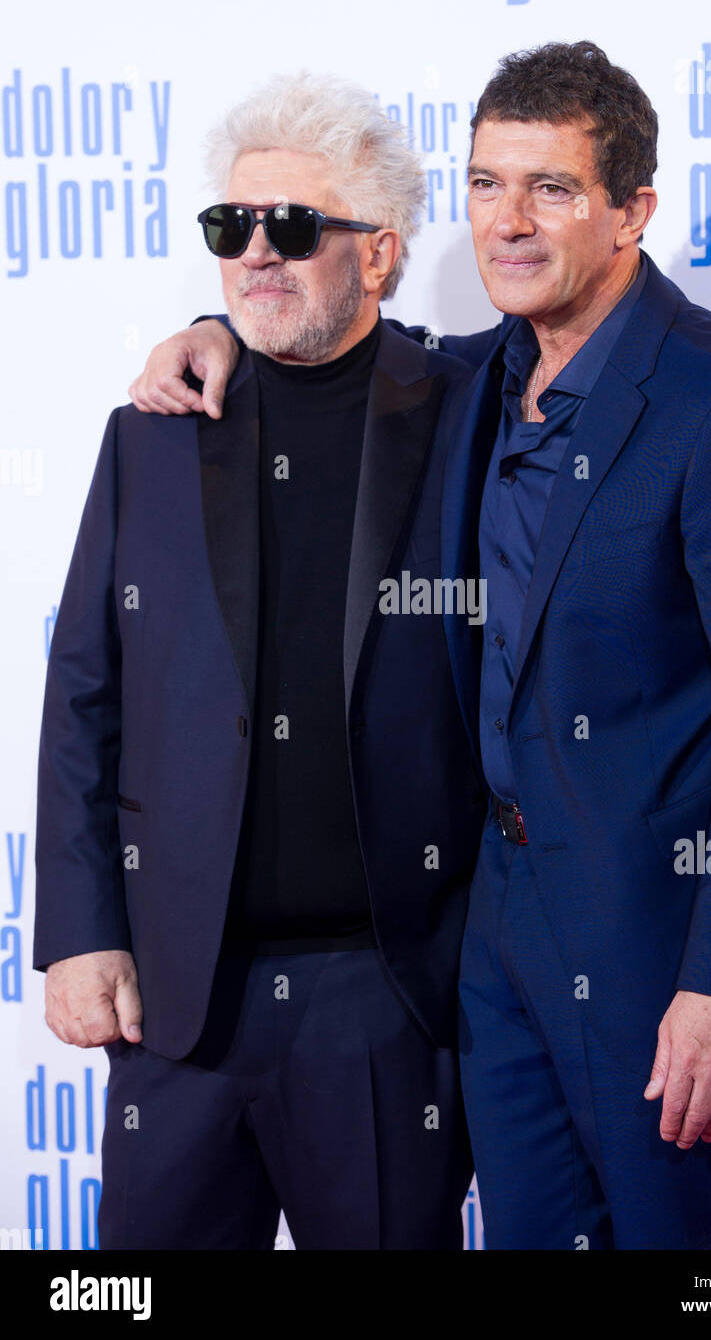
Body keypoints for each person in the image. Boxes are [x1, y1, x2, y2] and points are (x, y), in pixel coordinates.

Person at [129, 41, 711, 1250]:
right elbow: (325, 330)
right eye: (484, 186)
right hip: (490, 934)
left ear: (632, 211)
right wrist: (211, 323)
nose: (507, 224)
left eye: (551, 189)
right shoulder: (470, 377)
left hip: (653, 938)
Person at [34, 72, 484, 1251]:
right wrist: (78, 929)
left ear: (378, 255)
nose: (254, 255)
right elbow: (84, 690)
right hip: (181, 998)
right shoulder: (157, 424)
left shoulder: (469, 408)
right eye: (232, 228)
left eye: (292, 226)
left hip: (381, 1002)